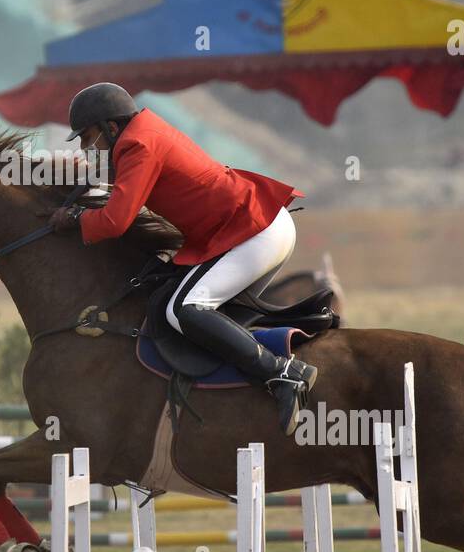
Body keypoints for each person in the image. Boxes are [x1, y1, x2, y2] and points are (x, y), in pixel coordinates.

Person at [48, 82, 316, 434]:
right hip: (256, 229)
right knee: (207, 327)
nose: (86, 146)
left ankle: (283, 373)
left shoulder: (138, 144)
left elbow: (114, 222)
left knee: (184, 309)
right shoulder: (139, 136)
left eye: (88, 136)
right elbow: (114, 187)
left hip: (256, 232)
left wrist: (73, 220)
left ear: (112, 128)